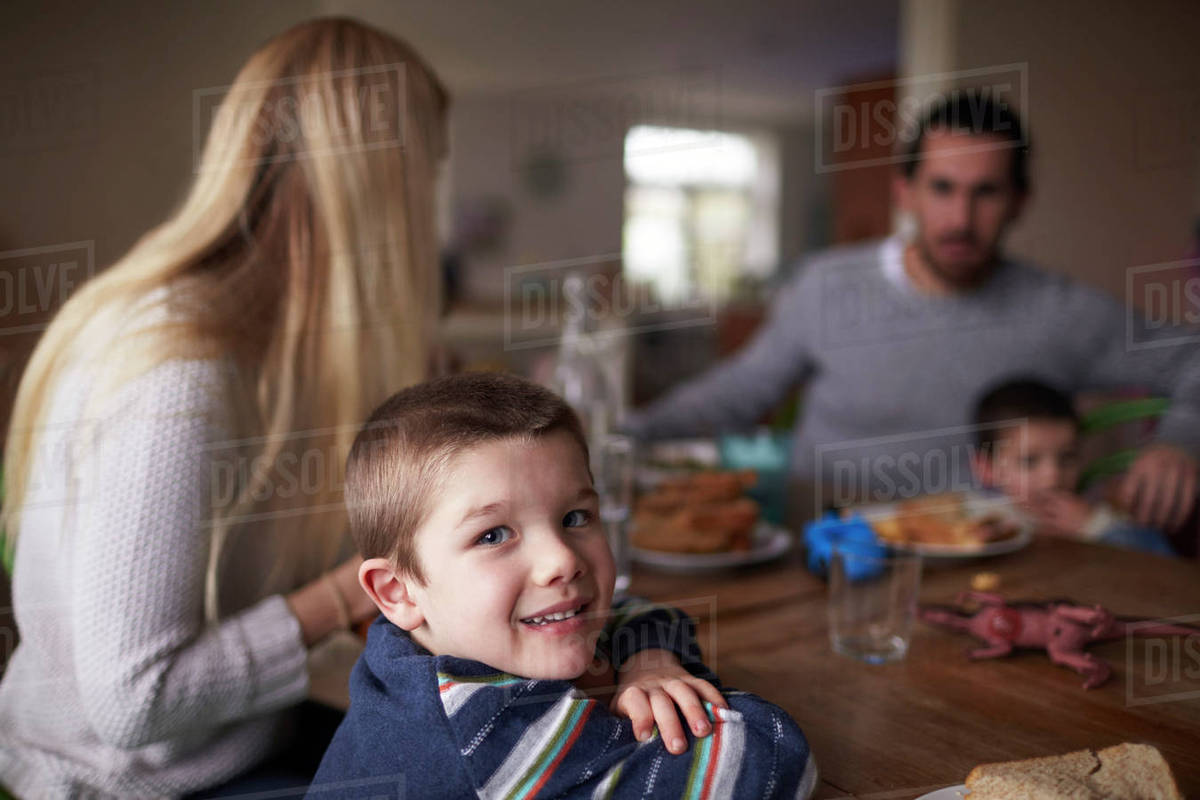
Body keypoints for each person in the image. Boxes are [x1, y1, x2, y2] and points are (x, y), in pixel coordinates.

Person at [0, 18, 449, 797]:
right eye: (429, 175)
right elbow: (133, 701)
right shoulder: (177, 372)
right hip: (115, 783)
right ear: (384, 186)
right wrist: (347, 591)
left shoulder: (278, 351)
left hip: (243, 744)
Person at [624, 89, 1200, 534]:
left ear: (1020, 200)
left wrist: (1180, 440)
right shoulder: (827, 285)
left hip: (981, 571)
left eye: (986, 192)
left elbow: (1190, 358)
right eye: (942, 188)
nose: (960, 219)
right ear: (906, 192)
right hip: (818, 549)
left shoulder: (1062, 311)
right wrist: (626, 435)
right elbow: (740, 390)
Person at [309, 372, 817, 799]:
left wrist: (650, 663)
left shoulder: (419, 648)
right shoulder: (483, 733)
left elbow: (632, 609)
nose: (560, 560)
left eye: (575, 516)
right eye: (493, 535)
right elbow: (775, 765)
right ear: (396, 592)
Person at [971, 378, 1174, 555]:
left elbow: (1165, 563)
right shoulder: (975, 519)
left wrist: (1094, 527)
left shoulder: (1100, 515)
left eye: (1066, 458)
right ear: (987, 469)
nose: (1053, 476)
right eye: (1029, 461)